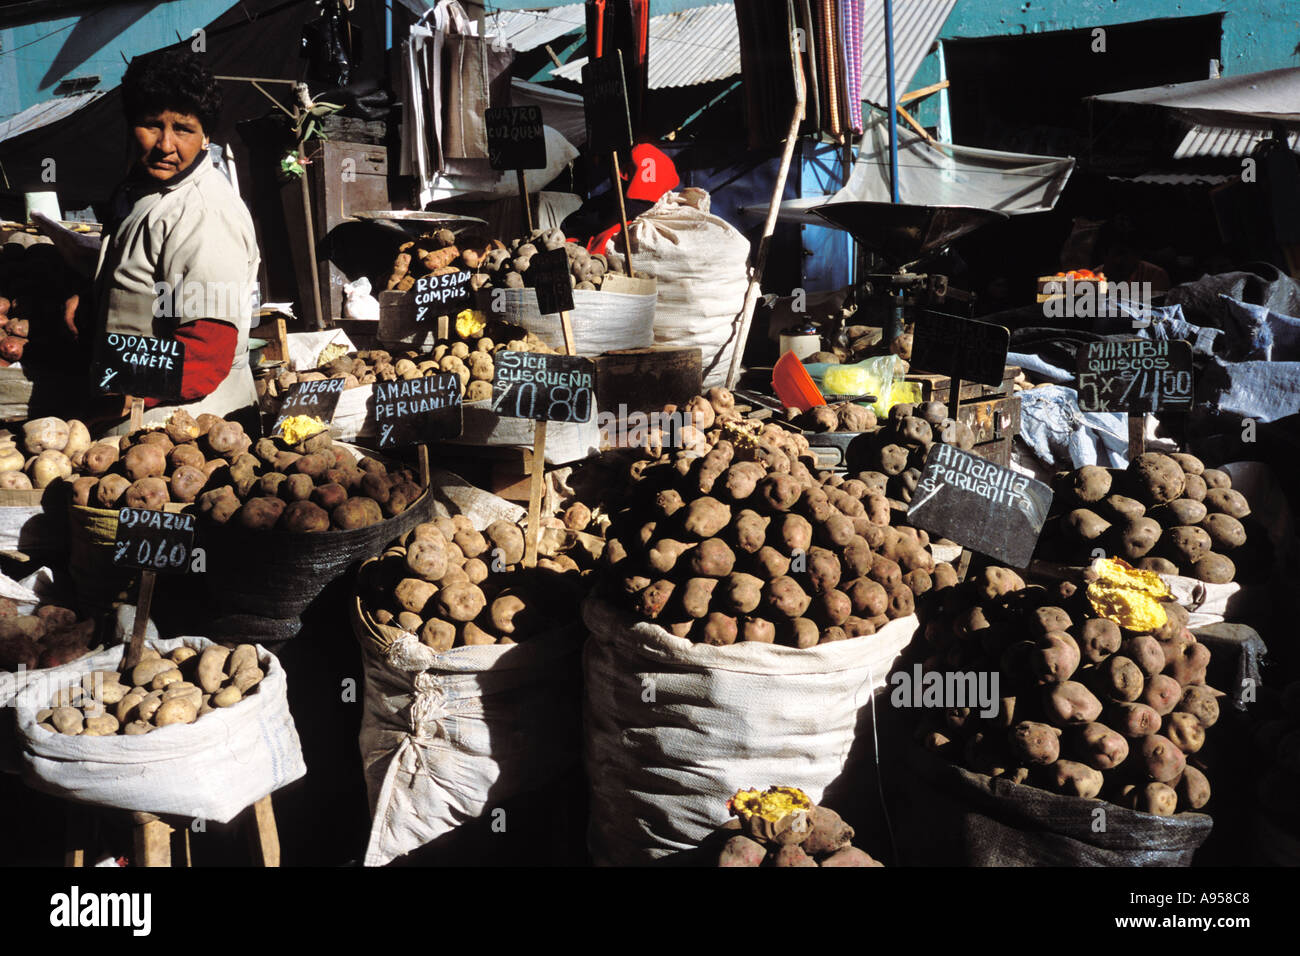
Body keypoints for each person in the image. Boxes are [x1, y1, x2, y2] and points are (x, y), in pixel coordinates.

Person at [89, 48, 260, 434]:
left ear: (205, 136)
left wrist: (119, 395)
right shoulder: (142, 189)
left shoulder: (204, 212)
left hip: (185, 429)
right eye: (152, 125)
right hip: (137, 409)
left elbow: (204, 354)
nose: (166, 144)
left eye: (183, 128)